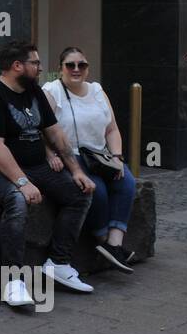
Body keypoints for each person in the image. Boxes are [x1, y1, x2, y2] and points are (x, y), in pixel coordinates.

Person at [0, 41, 96, 307]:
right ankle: (12, 280)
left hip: (35, 165)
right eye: (34, 63)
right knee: (16, 199)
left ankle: (58, 263)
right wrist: (23, 182)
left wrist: (76, 171)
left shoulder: (34, 91)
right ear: (17, 66)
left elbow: (55, 133)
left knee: (78, 194)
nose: (39, 68)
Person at [41, 47, 138, 274]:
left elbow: (112, 129)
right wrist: (49, 153)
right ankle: (103, 239)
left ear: (87, 68)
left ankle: (114, 245)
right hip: (71, 155)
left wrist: (116, 157)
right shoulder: (52, 91)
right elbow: (41, 128)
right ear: (60, 68)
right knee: (99, 191)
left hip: (99, 156)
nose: (76, 69)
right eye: (70, 65)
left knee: (127, 183)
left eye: (81, 65)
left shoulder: (97, 90)